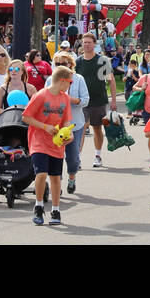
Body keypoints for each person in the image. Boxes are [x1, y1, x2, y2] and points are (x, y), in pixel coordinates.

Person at [22, 66, 75, 227]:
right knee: (41, 174)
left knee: (55, 177)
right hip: (39, 140)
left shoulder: (65, 98)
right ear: (62, 80)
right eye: (70, 82)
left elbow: (66, 121)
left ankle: (56, 210)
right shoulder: (41, 95)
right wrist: (45, 127)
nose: (70, 85)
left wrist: (69, 134)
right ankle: (38, 206)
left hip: (56, 143)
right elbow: (26, 117)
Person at [74, 33, 116, 169]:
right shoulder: (78, 62)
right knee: (82, 127)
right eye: (84, 42)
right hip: (82, 101)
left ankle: (98, 155)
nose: (86, 45)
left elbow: (111, 80)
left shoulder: (102, 61)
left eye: (89, 42)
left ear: (94, 44)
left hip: (98, 100)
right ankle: (77, 157)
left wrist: (114, 100)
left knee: (97, 128)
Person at [51, 52, 89, 195]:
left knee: (72, 157)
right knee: (55, 156)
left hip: (74, 124)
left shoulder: (78, 79)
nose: (61, 66)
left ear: (71, 65)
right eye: (58, 64)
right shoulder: (50, 80)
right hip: (55, 125)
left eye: (64, 63)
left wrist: (70, 99)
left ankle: (72, 178)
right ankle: (57, 184)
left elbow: (85, 100)